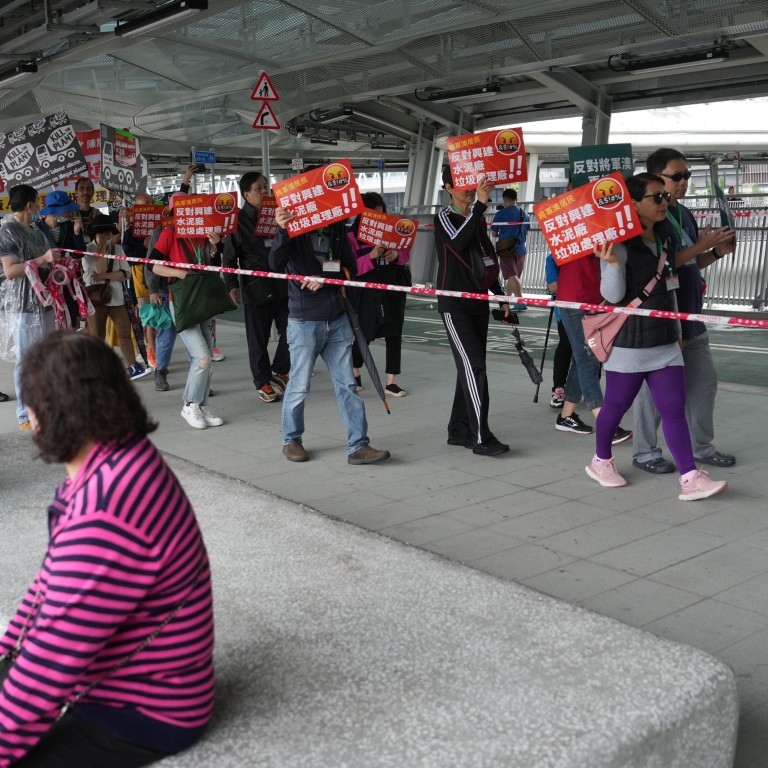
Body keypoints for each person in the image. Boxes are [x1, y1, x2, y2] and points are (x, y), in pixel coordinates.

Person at [0, 331, 215, 767]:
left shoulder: (105, 508)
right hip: (143, 680)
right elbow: (48, 590)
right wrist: (7, 655)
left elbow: (49, 668)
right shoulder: (115, 460)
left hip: (145, 712)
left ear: (50, 415)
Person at [586, 172, 727, 502]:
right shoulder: (619, 244)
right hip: (630, 345)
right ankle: (600, 460)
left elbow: (670, 284)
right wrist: (612, 264)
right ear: (634, 204)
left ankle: (689, 477)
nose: (665, 202)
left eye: (665, 197)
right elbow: (613, 294)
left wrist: (675, 330)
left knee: (673, 408)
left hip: (665, 343)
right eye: (657, 197)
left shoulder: (664, 238)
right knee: (616, 406)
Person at [631, 148, 735, 474]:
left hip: (691, 317)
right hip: (662, 321)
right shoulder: (647, 221)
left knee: (704, 383)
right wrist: (700, 246)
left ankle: (701, 446)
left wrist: (716, 252)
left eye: (687, 176)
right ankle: (645, 452)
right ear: (655, 179)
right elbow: (654, 268)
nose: (683, 182)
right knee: (655, 393)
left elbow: (690, 263)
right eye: (677, 176)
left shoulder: (683, 214)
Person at [268, 205, 390, 465]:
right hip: (304, 320)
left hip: (337, 318)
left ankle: (358, 445)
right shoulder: (292, 227)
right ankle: (291, 440)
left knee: (347, 384)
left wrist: (324, 277)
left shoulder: (336, 227)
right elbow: (275, 265)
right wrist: (281, 230)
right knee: (299, 385)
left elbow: (349, 268)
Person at [434, 166, 510, 456]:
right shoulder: (444, 217)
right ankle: (481, 437)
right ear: (449, 187)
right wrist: (478, 206)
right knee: (474, 365)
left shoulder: (475, 218)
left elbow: (487, 258)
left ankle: (460, 429)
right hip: (455, 304)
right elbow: (456, 243)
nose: (469, 188)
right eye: (462, 184)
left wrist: (501, 295)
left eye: (471, 183)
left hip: (478, 301)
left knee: (469, 367)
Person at [150, 199, 225, 429]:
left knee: (206, 359)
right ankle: (189, 405)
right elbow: (153, 265)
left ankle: (201, 405)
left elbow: (212, 263)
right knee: (202, 357)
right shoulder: (169, 233)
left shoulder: (205, 233)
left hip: (203, 299)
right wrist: (180, 273)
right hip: (182, 301)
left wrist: (215, 247)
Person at [222, 171, 289, 403]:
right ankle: (262, 382)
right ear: (246, 194)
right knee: (258, 339)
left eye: (266, 187)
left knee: (293, 330)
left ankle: (281, 369)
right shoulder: (237, 222)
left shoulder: (276, 214)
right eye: (259, 188)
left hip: (282, 283)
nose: (264, 192)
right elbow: (229, 259)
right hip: (256, 287)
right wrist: (231, 285)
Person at [0, 184, 56, 430]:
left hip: (45, 301)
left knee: (45, 357)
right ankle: (25, 413)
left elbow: (46, 262)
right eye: (37, 201)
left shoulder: (35, 230)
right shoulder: (8, 231)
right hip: (23, 305)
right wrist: (42, 260)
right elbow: (10, 271)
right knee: (26, 358)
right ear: (29, 205)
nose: (39, 206)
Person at [347, 191, 411, 397]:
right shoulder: (350, 236)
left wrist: (396, 255)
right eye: (373, 216)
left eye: (381, 216)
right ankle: (355, 373)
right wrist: (372, 256)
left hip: (390, 286)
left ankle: (391, 382)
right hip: (364, 291)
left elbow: (404, 254)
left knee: (394, 330)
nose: (378, 221)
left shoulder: (390, 231)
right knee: (364, 332)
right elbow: (349, 268)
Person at [82, 214, 150, 381]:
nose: (106, 236)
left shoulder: (118, 249)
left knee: (125, 332)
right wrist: (103, 250)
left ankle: (132, 366)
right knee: (97, 334)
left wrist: (106, 275)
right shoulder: (87, 250)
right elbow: (92, 275)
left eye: (108, 233)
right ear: (95, 234)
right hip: (96, 299)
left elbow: (125, 274)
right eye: (101, 233)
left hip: (117, 298)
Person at [35, 189, 87, 329]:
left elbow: (80, 254)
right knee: (51, 323)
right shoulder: (36, 229)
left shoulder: (70, 227)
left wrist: (77, 233)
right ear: (55, 211)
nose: (70, 213)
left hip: (67, 283)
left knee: (71, 321)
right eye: (67, 210)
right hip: (46, 284)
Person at [121, 192, 157, 368]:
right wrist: (143, 245)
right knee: (147, 316)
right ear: (136, 209)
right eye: (144, 204)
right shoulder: (130, 232)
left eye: (151, 203)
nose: (149, 206)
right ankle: (149, 350)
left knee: (159, 316)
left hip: (160, 278)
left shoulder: (161, 227)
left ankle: (152, 348)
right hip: (140, 281)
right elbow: (128, 258)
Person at [490, 187, 529, 310]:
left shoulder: (501, 214)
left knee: (511, 276)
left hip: (506, 250)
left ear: (505, 200)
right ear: (516, 199)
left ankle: (520, 302)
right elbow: (526, 232)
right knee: (514, 276)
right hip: (521, 249)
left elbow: (494, 233)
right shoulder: (525, 214)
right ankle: (507, 300)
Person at [544, 252, 573, 409]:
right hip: (566, 303)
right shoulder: (566, 242)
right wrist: (552, 279)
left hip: (590, 302)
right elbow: (551, 259)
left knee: (591, 347)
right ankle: (559, 388)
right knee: (566, 345)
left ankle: (587, 386)